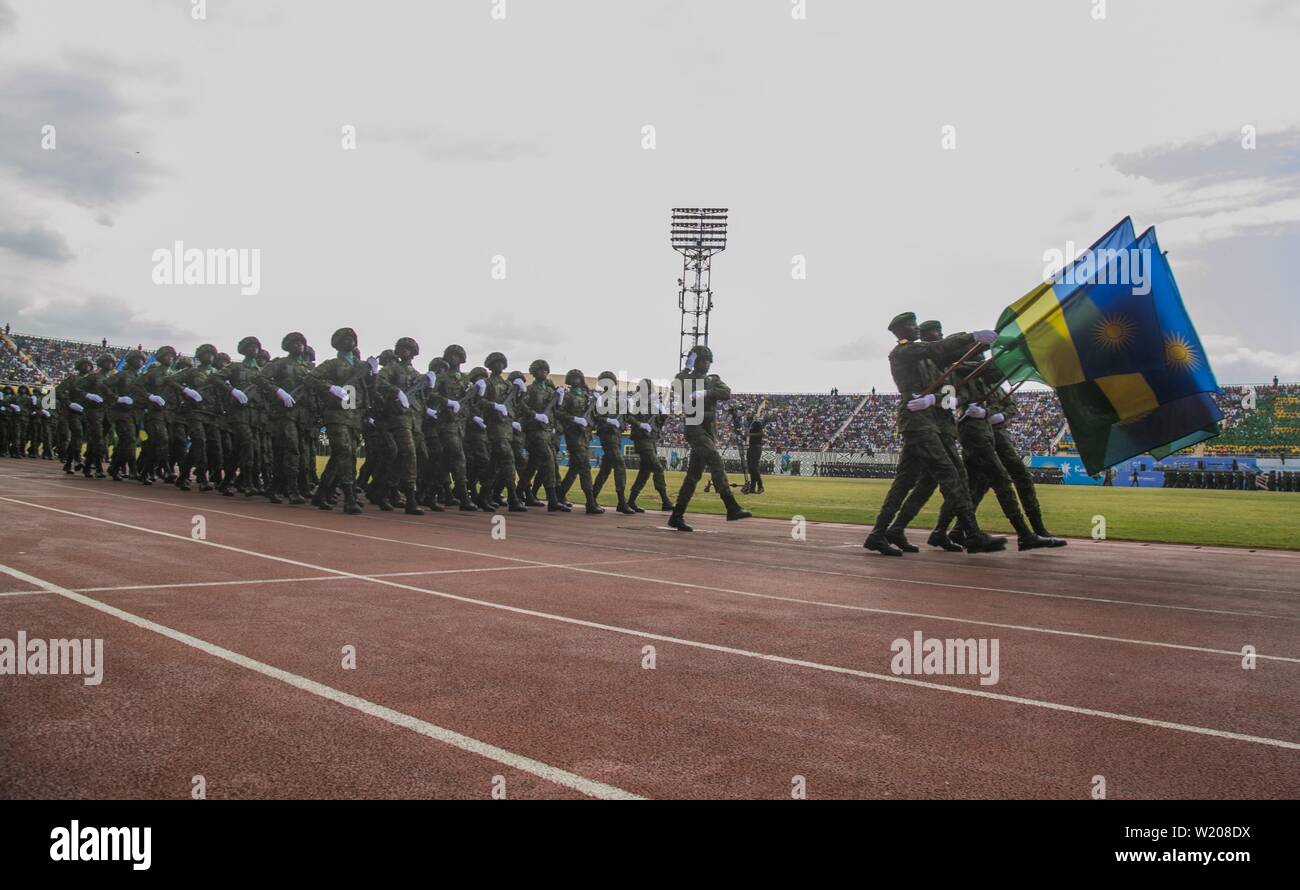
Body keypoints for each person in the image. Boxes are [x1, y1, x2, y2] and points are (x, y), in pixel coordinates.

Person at [863, 312, 1005, 556]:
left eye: (916, 324)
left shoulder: (924, 356)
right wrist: (970, 336)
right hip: (917, 421)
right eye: (911, 325)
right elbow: (937, 348)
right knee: (948, 472)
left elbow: (952, 360)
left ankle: (880, 534)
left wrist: (982, 348)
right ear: (899, 331)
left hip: (927, 421)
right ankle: (972, 534)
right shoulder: (903, 352)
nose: (916, 328)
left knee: (906, 482)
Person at [668, 344, 751, 531]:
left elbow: (726, 392)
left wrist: (706, 392)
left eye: (708, 361)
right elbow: (676, 385)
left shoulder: (712, 380)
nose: (706, 364)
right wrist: (686, 368)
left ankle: (676, 516)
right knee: (715, 460)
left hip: (708, 430)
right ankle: (731, 506)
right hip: (694, 428)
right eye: (702, 360)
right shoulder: (686, 379)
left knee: (693, 475)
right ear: (694, 362)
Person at [307, 327, 374, 514]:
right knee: (345, 452)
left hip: (355, 415)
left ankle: (321, 493)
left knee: (342, 455)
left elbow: (369, 391)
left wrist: (374, 373)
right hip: (336, 414)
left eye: (352, 338)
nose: (349, 341)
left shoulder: (361, 366)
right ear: (337, 343)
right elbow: (311, 379)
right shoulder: (332, 364)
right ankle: (349, 497)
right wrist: (331, 388)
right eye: (345, 339)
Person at [520, 359, 569, 512]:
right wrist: (535, 415)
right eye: (541, 370)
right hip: (534, 431)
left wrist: (559, 399)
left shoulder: (550, 391)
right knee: (548, 462)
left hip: (547, 431)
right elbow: (522, 406)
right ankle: (553, 500)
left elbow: (555, 411)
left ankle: (515, 494)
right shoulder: (530, 390)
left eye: (546, 370)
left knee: (532, 466)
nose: (544, 372)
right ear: (534, 372)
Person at [482, 351, 527, 512]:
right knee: (508, 461)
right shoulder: (486, 383)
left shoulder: (508, 386)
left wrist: (521, 393)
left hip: (507, 428)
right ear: (490, 365)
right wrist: (493, 405)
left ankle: (483, 496)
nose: (499, 366)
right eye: (495, 363)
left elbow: (516, 406)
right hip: (495, 427)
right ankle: (513, 498)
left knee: (493, 465)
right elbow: (479, 402)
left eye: (501, 363)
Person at [556, 369, 604, 514]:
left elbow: (594, 416)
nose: (576, 380)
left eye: (578, 377)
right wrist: (574, 419)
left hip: (585, 435)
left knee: (575, 468)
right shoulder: (568, 396)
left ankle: (558, 496)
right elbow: (558, 412)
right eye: (573, 378)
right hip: (573, 435)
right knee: (585, 467)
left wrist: (596, 402)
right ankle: (590, 502)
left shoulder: (586, 396)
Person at [625, 378, 674, 512]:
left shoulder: (654, 404)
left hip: (651, 440)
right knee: (657, 468)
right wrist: (640, 424)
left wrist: (663, 416)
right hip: (642, 439)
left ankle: (631, 501)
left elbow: (657, 425)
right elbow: (628, 416)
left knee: (645, 472)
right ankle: (665, 501)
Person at [591, 371, 636, 514]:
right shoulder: (600, 399)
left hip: (616, 436)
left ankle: (591, 500)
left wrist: (629, 407)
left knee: (605, 469)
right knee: (619, 464)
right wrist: (608, 420)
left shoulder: (618, 399)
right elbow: (595, 416)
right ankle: (622, 502)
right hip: (607, 435)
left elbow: (626, 418)